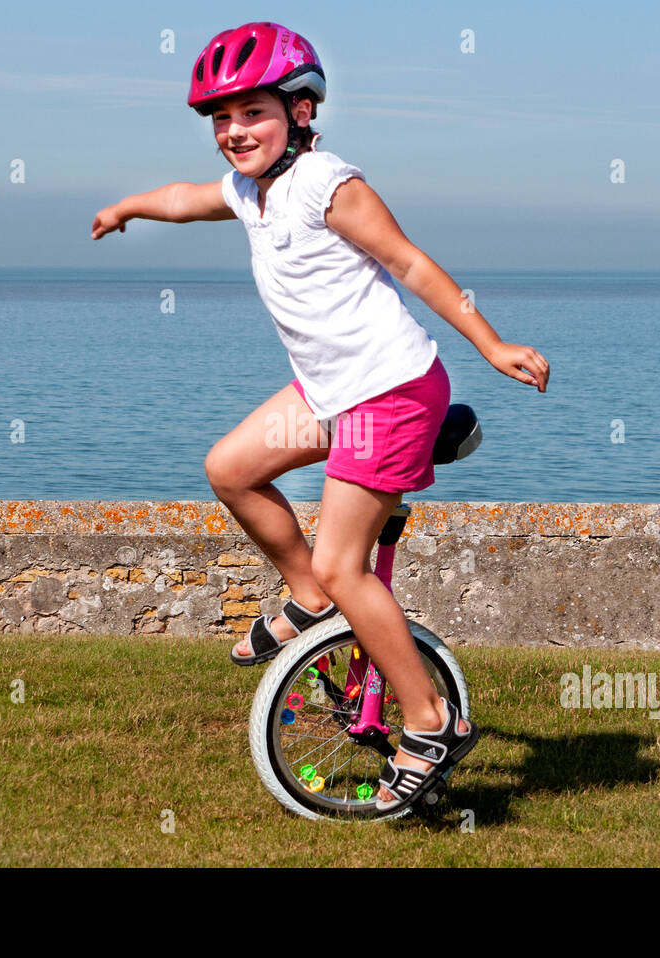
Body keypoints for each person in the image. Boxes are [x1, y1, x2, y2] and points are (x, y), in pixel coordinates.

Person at [90, 21, 549, 812]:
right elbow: (183, 198)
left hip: (391, 396)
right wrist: (127, 206)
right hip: (330, 395)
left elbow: (411, 264)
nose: (234, 132)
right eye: (220, 119)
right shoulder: (248, 190)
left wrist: (493, 343)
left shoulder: (327, 184)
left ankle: (429, 720)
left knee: (348, 563)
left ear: (301, 111)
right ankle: (307, 593)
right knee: (230, 468)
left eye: (253, 113)